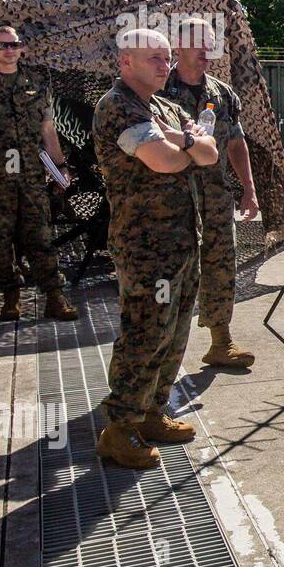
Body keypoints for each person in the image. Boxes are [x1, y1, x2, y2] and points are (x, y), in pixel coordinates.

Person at [92, 28, 218, 469]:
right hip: (145, 246)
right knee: (146, 332)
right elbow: (164, 161)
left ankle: (151, 412)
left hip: (181, 240)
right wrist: (184, 148)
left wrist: (184, 142)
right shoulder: (118, 106)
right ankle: (119, 428)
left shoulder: (164, 107)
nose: (165, 66)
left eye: (167, 58)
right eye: (154, 59)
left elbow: (210, 152)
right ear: (125, 62)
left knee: (175, 330)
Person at [159, 18, 259, 369]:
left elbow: (236, 142)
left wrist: (248, 188)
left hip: (216, 198)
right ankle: (161, 347)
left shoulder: (222, 94)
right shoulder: (157, 92)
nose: (206, 50)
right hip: (172, 200)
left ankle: (221, 341)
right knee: (172, 272)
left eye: (210, 43)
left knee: (221, 267)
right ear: (178, 45)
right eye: (199, 42)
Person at [0, 25, 78, 322]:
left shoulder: (37, 83)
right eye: (2, 45)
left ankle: (54, 297)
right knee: (0, 239)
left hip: (31, 176)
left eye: (14, 44)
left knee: (41, 236)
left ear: (22, 48)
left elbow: (48, 130)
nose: (9, 50)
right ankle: (10, 298)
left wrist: (60, 167)